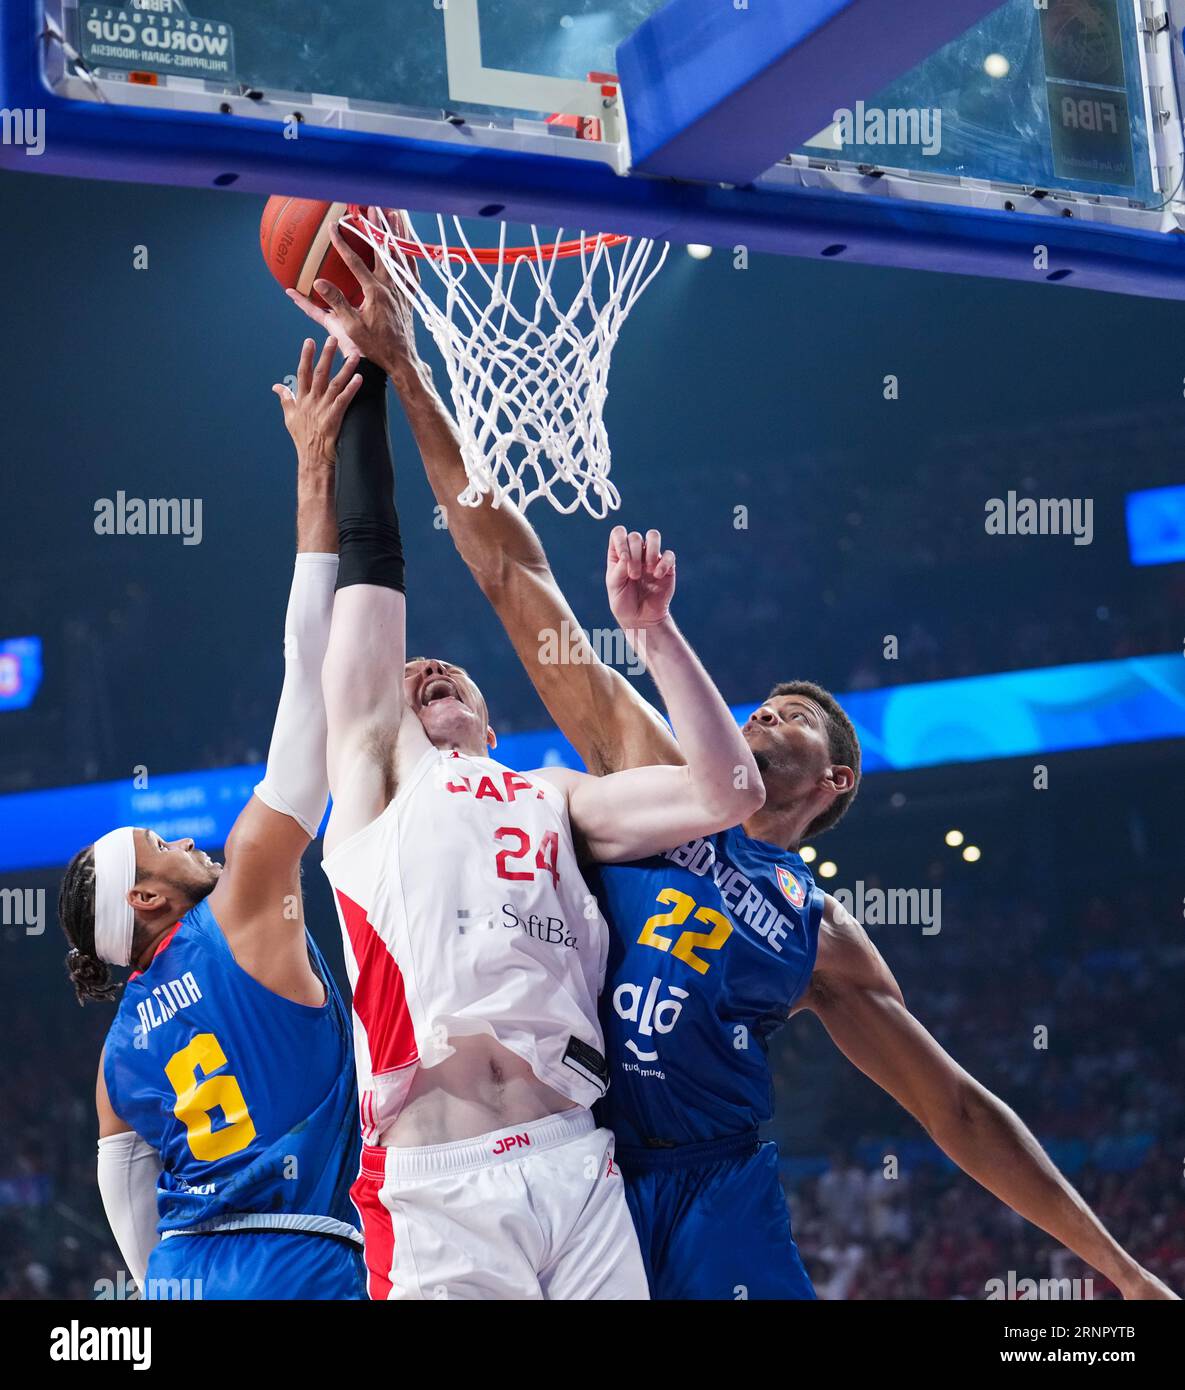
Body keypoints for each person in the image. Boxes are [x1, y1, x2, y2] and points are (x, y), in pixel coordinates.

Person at [291, 225, 1177, 1304]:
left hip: (710, 1195)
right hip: (573, 1154)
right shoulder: (642, 764)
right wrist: (409, 370)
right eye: (768, 700)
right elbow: (508, 564)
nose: (772, 709)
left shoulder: (816, 930)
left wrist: (1123, 1273)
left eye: (799, 712)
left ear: (835, 781)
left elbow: (956, 1110)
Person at [292, 235, 765, 1300]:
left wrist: (653, 639)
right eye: (409, 681)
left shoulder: (550, 796)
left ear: (493, 723)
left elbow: (730, 792)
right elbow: (373, 556)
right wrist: (365, 363)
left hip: (576, 1165)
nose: (424, 678)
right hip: (435, 1187)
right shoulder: (371, 789)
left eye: (446, 675)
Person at [56, 340, 367, 1300]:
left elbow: (126, 1210)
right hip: (301, 1252)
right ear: (148, 895)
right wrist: (317, 470)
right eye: (161, 845)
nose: (186, 839)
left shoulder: (117, 1060)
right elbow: (308, 680)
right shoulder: (242, 905)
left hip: (193, 1272)